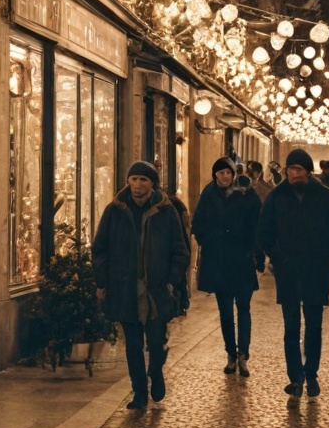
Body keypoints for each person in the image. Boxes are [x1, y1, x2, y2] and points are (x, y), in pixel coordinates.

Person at [92, 160, 190, 412]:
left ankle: (155, 373)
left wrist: (172, 280)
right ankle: (139, 393)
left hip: (156, 289)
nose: (137, 185)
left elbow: (180, 250)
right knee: (133, 342)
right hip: (125, 287)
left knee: (156, 341)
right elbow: (100, 248)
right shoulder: (115, 210)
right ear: (128, 182)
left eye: (143, 180)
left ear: (152, 184)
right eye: (133, 179)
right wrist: (103, 281)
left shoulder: (165, 210)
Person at [256, 149, 329, 398]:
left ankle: (312, 373)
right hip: (288, 270)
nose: (294, 174)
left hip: (316, 268)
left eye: (298, 170)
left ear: (308, 171)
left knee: (314, 325)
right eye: (290, 170)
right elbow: (264, 232)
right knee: (291, 326)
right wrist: (277, 255)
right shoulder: (276, 197)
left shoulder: (325, 197)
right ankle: (295, 377)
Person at [192, 156, 262, 376]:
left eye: (228, 173)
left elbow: (257, 223)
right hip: (219, 261)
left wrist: (252, 248)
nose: (225, 176)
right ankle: (231, 353)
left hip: (241, 259)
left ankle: (244, 355)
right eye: (221, 173)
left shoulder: (246, 193)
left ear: (234, 174)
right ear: (215, 175)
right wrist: (211, 241)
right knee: (225, 312)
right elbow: (198, 223)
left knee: (243, 309)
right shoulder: (208, 194)